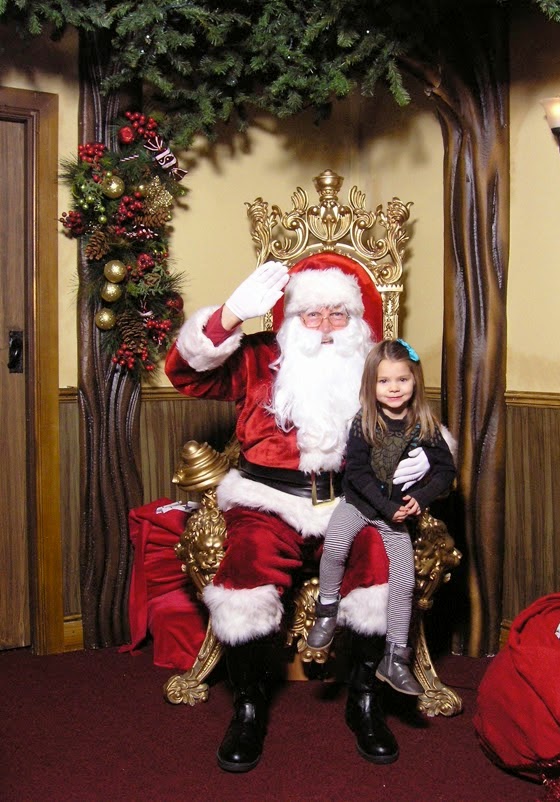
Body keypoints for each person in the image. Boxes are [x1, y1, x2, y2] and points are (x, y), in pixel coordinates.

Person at [165, 260, 431, 771]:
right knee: (245, 572)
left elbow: (415, 420)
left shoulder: (375, 363)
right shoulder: (260, 357)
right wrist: (228, 317)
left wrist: (423, 457)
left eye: (338, 314)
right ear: (291, 317)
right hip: (269, 499)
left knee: (381, 568)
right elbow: (184, 375)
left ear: (357, 320)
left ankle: (365, 701)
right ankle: (247, 706)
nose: (327, 327)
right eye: (313, 315)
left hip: (354, 501)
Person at [307, 339, 456, 696]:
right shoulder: (363, 422)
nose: (394, 388)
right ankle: (327, 610)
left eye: (402, 380)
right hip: (360, 505)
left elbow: (445, 471)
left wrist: (418, 499)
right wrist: (388, 508)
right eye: (385, 381)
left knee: (404, 583)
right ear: (371, 384)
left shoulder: (424, 423)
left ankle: (395, 658)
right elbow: (355, 475)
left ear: (415, 381)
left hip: (397, 518)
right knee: (335, 548)